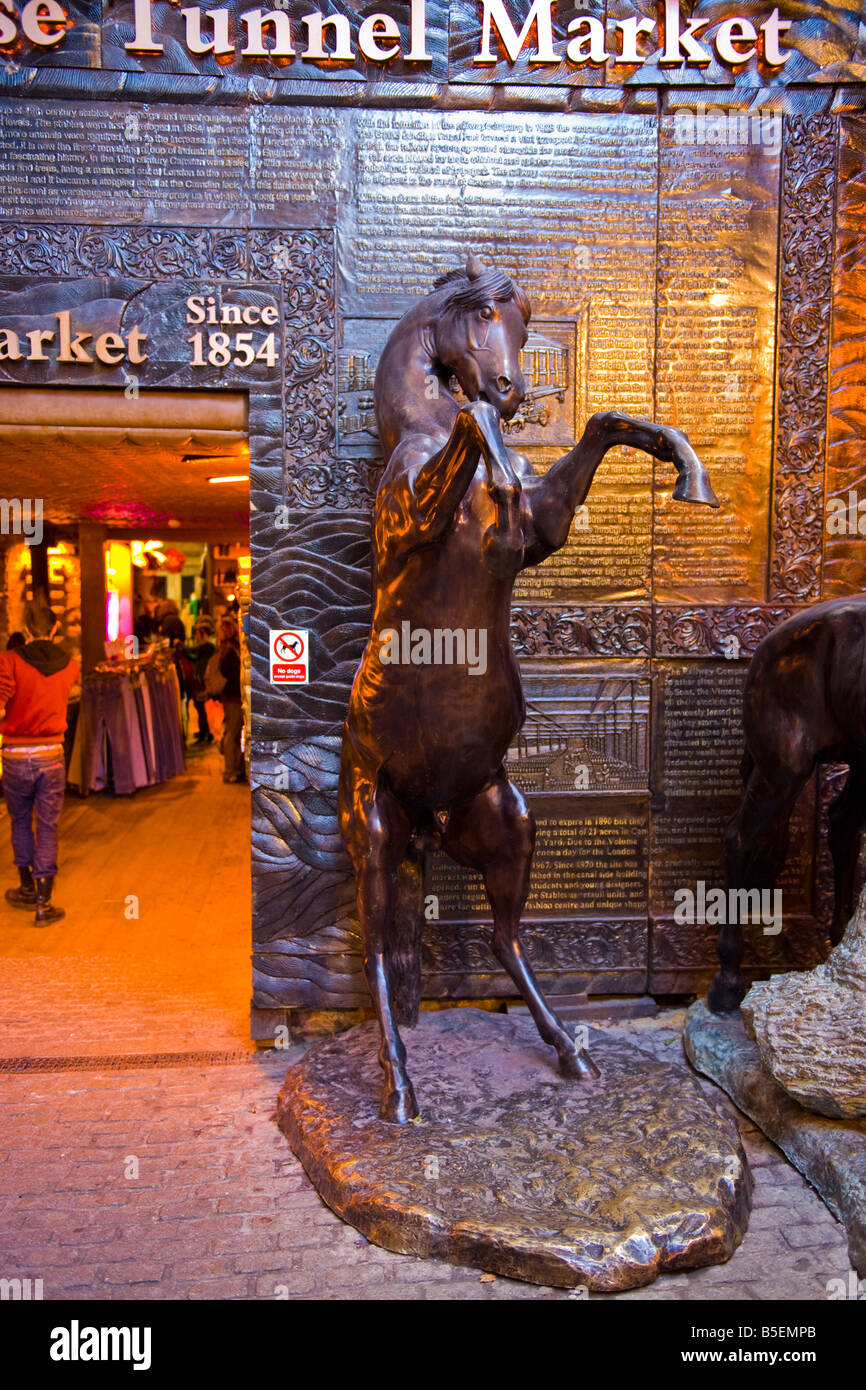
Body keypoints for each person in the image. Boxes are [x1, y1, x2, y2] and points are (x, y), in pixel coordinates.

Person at [0, 598, 79, 924]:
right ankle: (44, 905)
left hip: (16, 754)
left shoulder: (9, 661)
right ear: (55, 628)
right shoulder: (70, 664)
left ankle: (25, 888)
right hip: (52, 754)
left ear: (26, 629)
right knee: (47, 825)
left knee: (19, 820)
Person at [216, 616, 244, 784]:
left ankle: (234, 768)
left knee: (233, 733)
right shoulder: (229, 650)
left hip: (233, 696)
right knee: (232, 733)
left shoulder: (227, 648)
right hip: (233, 697)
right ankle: (230, 770)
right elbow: (230, 672)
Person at [185, 616, 216, 744]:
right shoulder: (206, 646)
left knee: (202, 706)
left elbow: (192, 650)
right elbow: (194, 657)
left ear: (202, 634)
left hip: (204, 679)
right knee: (199, 706)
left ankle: (207, 732)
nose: (196, 637)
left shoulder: (207, 645)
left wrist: (180, 645)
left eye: (197, 634)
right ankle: (203, 731)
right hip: (201, 678)